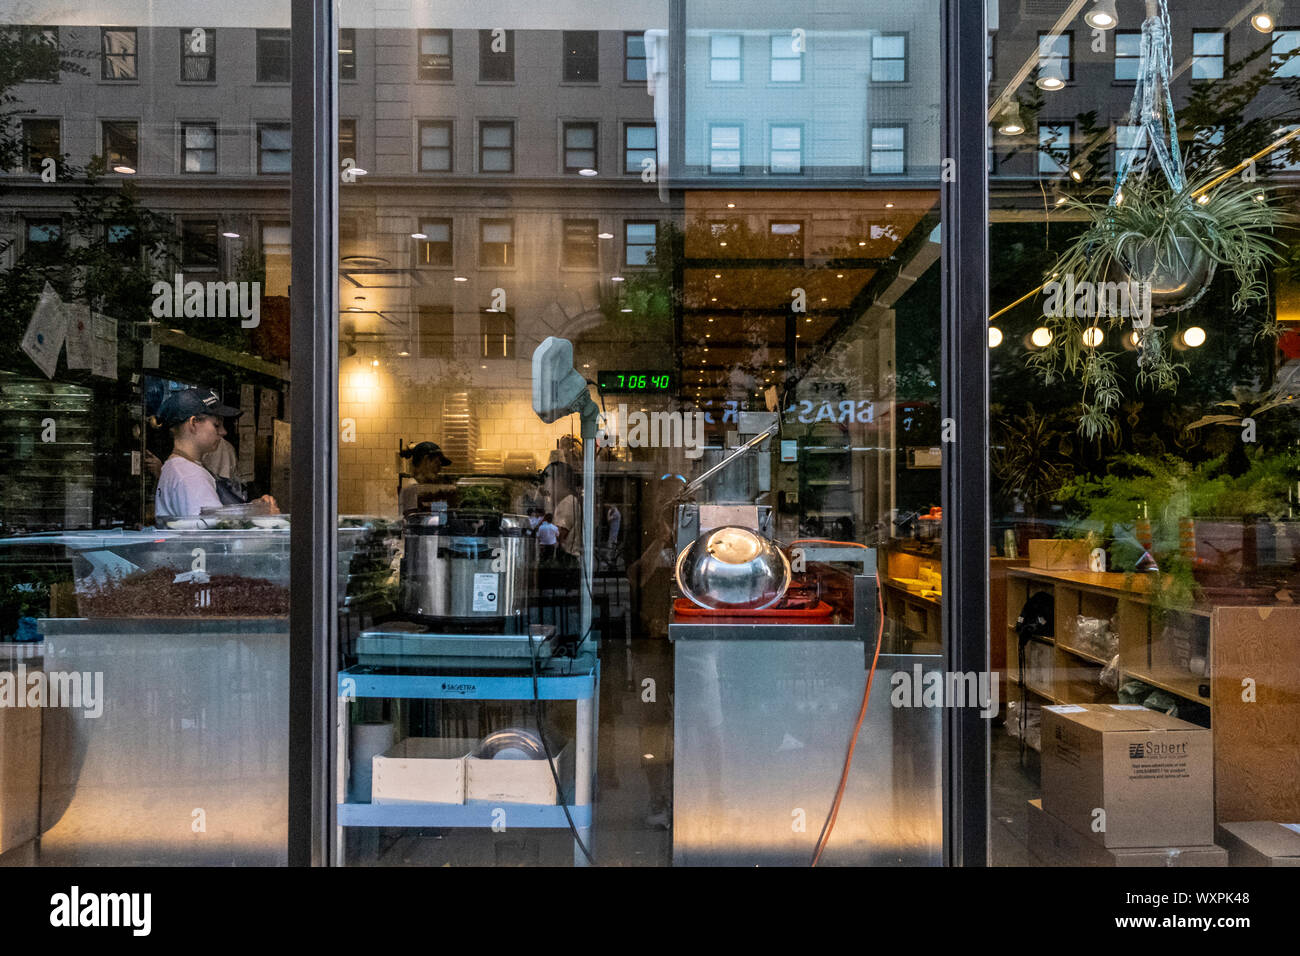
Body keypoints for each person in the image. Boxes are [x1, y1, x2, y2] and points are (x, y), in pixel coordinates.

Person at [153, 388, 277, 520]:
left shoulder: (177, 466)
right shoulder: (191, 475)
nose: (224, 432)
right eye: (216, 425)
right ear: (193, 423)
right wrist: (264, 519)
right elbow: (216, 531)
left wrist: (253, 509)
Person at [398, 441, 455, 515]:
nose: (439, 469)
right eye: (437, 463)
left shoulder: (426, 487)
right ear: (426, 461)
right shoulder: (412, 488)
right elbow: (413, 520)